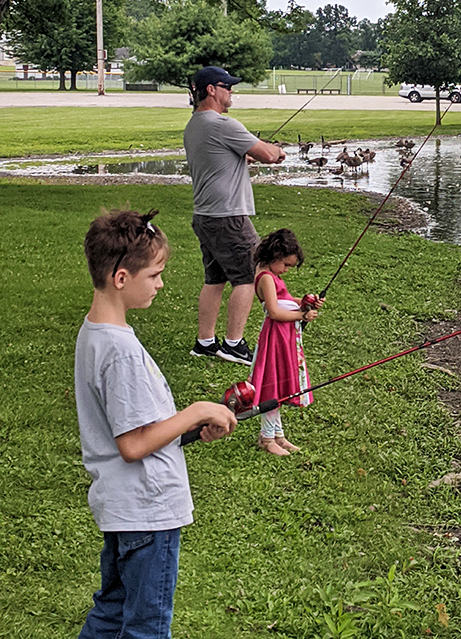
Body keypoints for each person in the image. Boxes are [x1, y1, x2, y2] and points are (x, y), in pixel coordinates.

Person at [75, 208, 237, 639]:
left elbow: (135, 428)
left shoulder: (94, 332)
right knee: (146, 625)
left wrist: (184, 430)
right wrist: (196, 410)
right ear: (122, 278)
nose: (162, 284)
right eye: (156, 274)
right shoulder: (121, 351)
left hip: (122, 508)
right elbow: (132, 444)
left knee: (112, 611)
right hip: (148, 513)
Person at [183, 66, 286, 364]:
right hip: (228, 215)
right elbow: (268, 154)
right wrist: (276, 151)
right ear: (211, 90)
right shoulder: (222, 124)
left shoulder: (194, 125)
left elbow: (219, 156)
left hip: (205, 214)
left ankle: (205, 342)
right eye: (226, 86)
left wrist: (244, 155)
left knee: (214, 279)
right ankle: (233, 344)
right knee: (248, 275)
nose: (231, 91)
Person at [250, 228, 323, 457]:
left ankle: (278, 435)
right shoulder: (266, 278)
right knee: (272, 383)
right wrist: (302, 316)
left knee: (279, 382)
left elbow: (285, 300)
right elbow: (274, 311)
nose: (287, 270)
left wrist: (304, 302)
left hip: (284, 336)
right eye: (286, 265)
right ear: (274, 256)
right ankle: (266, 438)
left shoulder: (272, 275)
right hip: (275, 337)